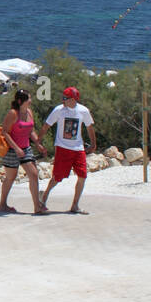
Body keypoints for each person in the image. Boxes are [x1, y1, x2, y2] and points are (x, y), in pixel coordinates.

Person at [39, 86, 97, 214]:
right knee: (57, 177)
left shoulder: (83, 111)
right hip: (62, 148)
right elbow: (46, 125)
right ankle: (44, 197)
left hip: (78, 148)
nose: (63, 100)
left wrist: (93, 144)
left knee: (82, 175)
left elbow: (89, 127)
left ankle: (75, 205)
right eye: (63, 98)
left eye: (66, 98)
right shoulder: (59, 110)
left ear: (74, 99)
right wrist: (38, 141)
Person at [0, 89, 49, 214]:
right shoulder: (13, 113)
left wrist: (38, 144)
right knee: (10, 177)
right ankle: (2, 204)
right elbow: (5, 132)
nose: (31, 101)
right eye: (28, 99)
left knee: (34, 174)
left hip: (26, 149)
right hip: (11, 150)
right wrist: (16, 148)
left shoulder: (29, 112)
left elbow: (30, 131)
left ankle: (37, 206)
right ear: (21, 101)